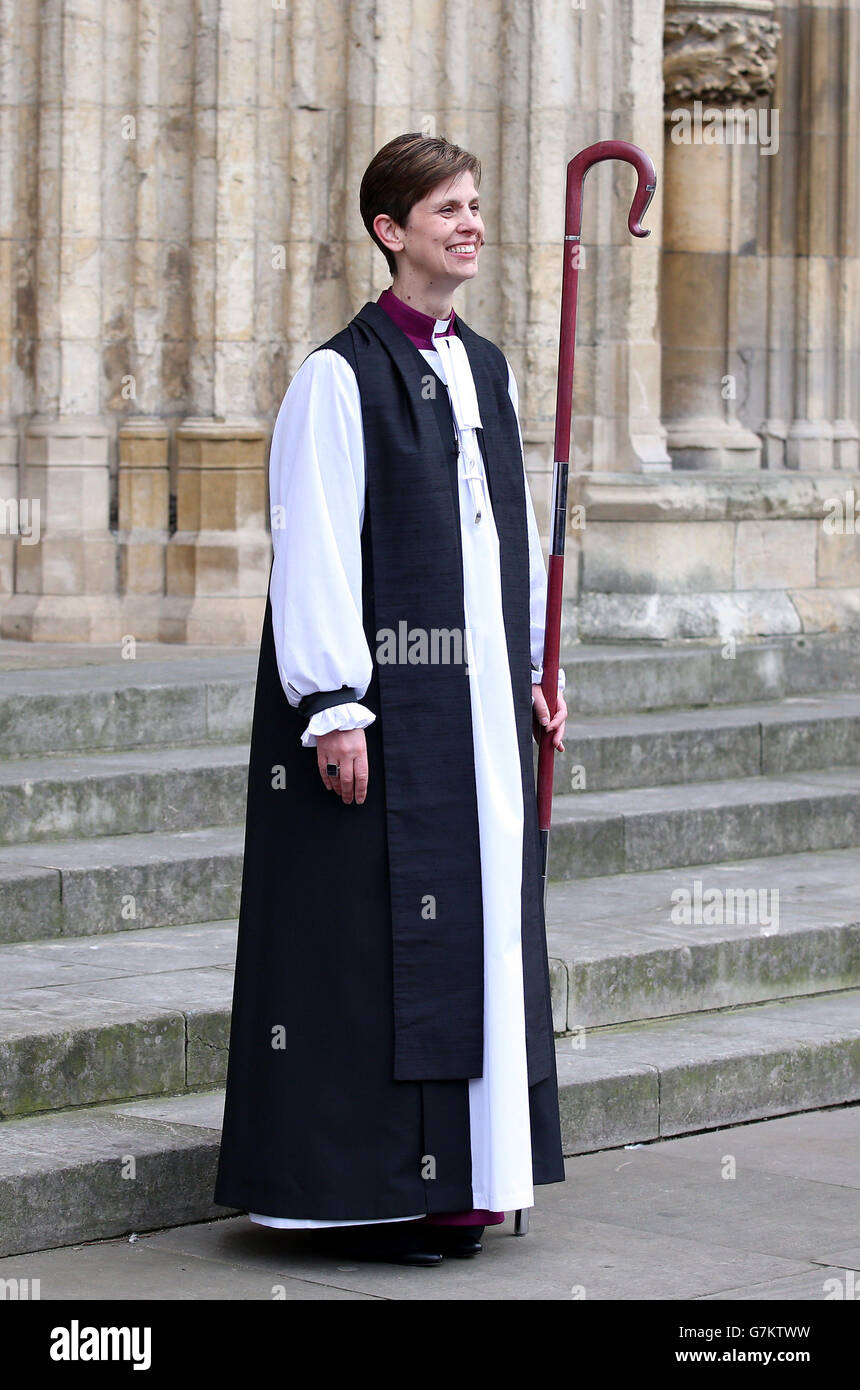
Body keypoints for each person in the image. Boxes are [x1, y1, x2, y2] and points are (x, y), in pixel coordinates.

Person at [213, 132, 568, 1267]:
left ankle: (458, 1183)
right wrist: (333, 701)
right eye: (445, 208)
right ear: (389, 229)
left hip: (474, 714)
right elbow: (312, 541)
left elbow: (502, 543)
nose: (469, 223)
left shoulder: (490, 367)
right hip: (381, 709)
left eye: (474, 204)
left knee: (469, 934)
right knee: (368, 939)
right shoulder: (337, 375)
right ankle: (353, 1188)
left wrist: (523, 673)